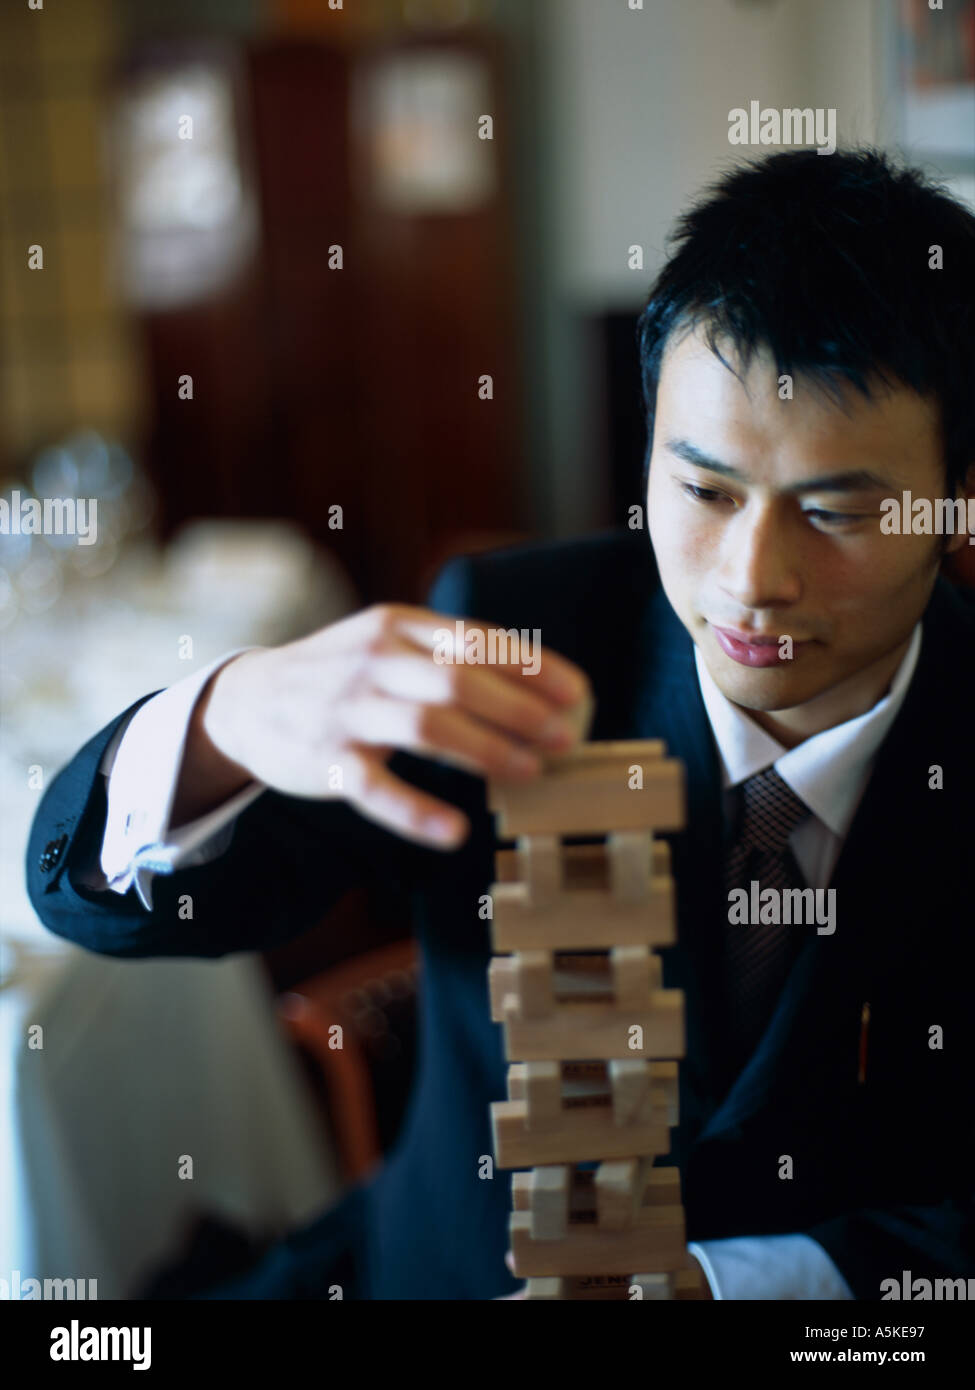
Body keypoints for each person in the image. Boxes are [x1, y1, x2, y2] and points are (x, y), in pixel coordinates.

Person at [28, 148, 975, 1300]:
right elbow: (115, 905)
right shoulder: (521, 638)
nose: (751, 579)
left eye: (835, 510)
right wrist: (225, 719)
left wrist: (726, 1286)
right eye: (705, 491)